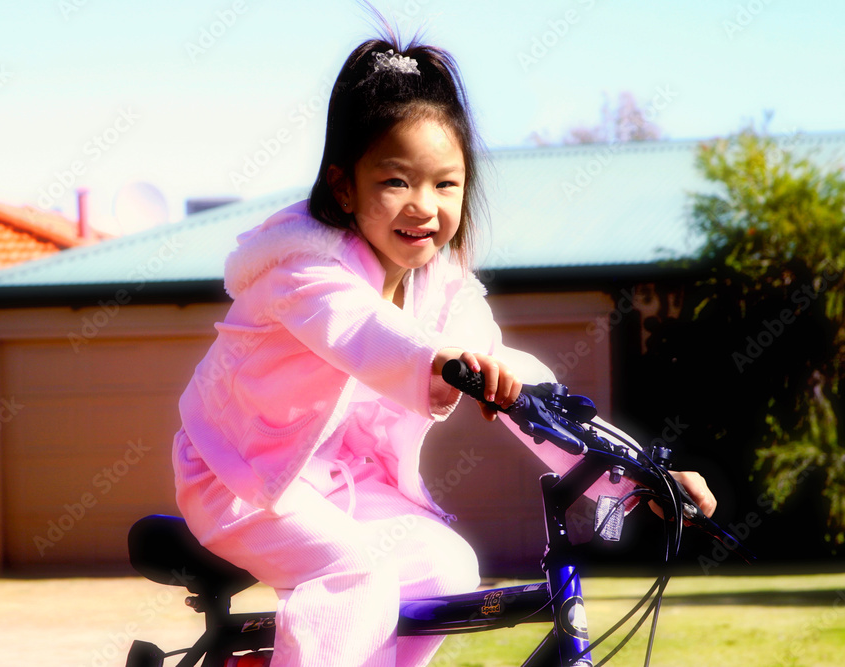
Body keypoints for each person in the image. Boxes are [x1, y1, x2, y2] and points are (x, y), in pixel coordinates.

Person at [172, 34, 717, 667]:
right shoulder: (304, 268)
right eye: (396, 181)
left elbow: (528, 387)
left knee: (444, 565)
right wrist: (435, 361)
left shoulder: (447, 292)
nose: (424, 207)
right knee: (355, 575)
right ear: (344, 188)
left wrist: (639, 468)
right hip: (242, 475)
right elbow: (358, 330)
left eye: (446, 184)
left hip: (351, 485)